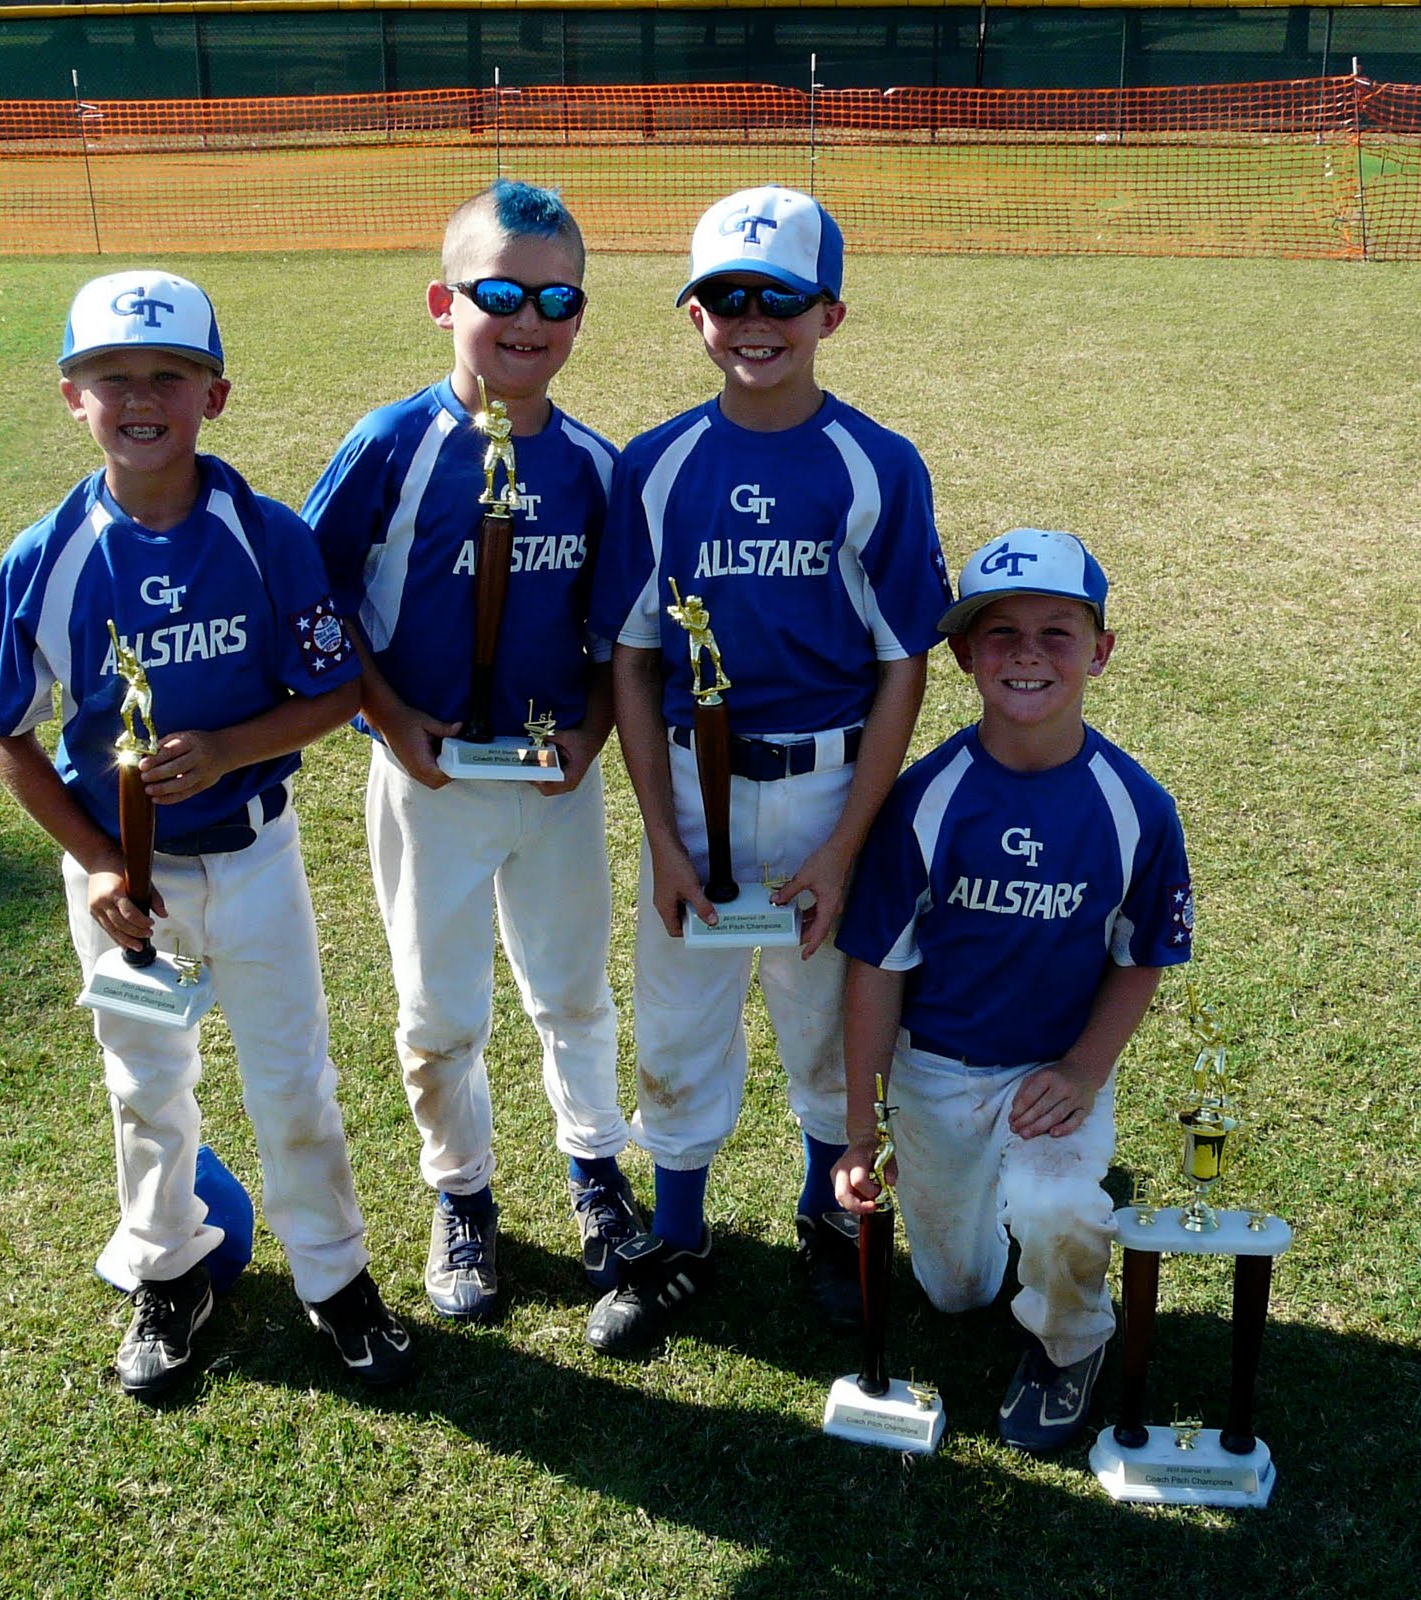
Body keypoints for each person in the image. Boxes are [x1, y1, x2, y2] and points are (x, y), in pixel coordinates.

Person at [0, 270, 415, 1398]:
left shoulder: (266, 536)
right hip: (124, 882)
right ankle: (169, 1272)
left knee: (292, 1080)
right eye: (111, 377)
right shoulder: (47, 554)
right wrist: (96, 861)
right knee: (144, 1088)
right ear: (72, 396)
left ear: (214, 395)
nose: (141, 398)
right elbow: (6, 732)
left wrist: (227, 749)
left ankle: (335, 1277)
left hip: (253, 854)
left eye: (170, 375)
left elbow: (334, 691)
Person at [584, 185, 951, 1356]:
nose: (753, 321)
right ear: (694, 315)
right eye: (726, 297)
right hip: (690, 787)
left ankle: (826, 1217)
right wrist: (660, 837)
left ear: (828, 314)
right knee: (676, 1020)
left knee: (827, 1022)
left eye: (779, 299)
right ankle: (677, 1236)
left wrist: (844, 847)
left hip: (825, 787)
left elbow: (901, 662)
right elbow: (632, 658)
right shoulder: (656, 464)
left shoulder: (874, 463)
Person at [302, 181, 637, 1323]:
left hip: (550, 778)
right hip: (428, 775)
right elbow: (316, 596)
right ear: (445, 301)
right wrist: (389, 716)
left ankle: (595, 1172)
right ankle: (462, 1194)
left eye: (557, 298)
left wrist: (591, 732)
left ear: (579, 314)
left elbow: (617, 631)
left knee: (571, 989)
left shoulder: (593, 466)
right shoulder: (391, 444)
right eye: (500, 293)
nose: (527, 319)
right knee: (437, 1008)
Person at [833, 528, 1193, 1453]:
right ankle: (1012, 1205)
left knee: (1055, 1211)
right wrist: (863, 1132)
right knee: (955, 1293)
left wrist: (1082, 1071)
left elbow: (1141, 953)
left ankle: (1070, 1341)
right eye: (1000, 633)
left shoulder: (1135, 806)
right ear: (962, 654)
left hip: (1050, 1073)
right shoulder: (925, 800)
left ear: (1100, 652)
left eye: (1056, 633)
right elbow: (876, 968)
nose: (1026, 654)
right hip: (937, 1073)